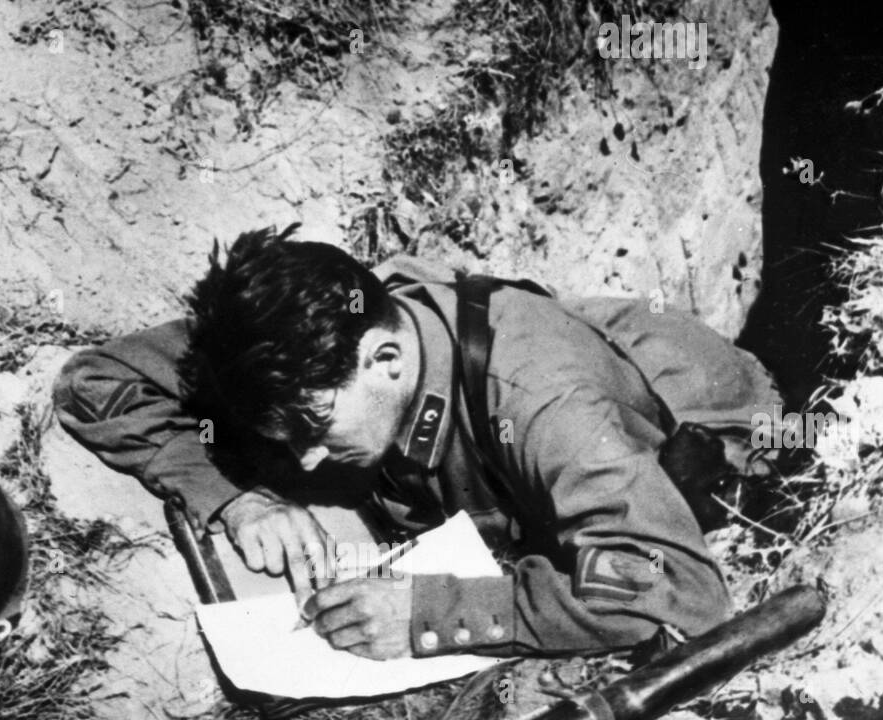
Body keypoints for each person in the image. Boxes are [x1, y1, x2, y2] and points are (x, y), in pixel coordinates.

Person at [53, 225, 784, 660]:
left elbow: (681, 594)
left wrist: (432, 615)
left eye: (315, 431)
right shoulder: (304, 341)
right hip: (563, 357)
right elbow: (94, 381)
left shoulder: (544, 408)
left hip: (704, 422)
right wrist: (236, 500)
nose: (302, 463)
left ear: (388, 362)